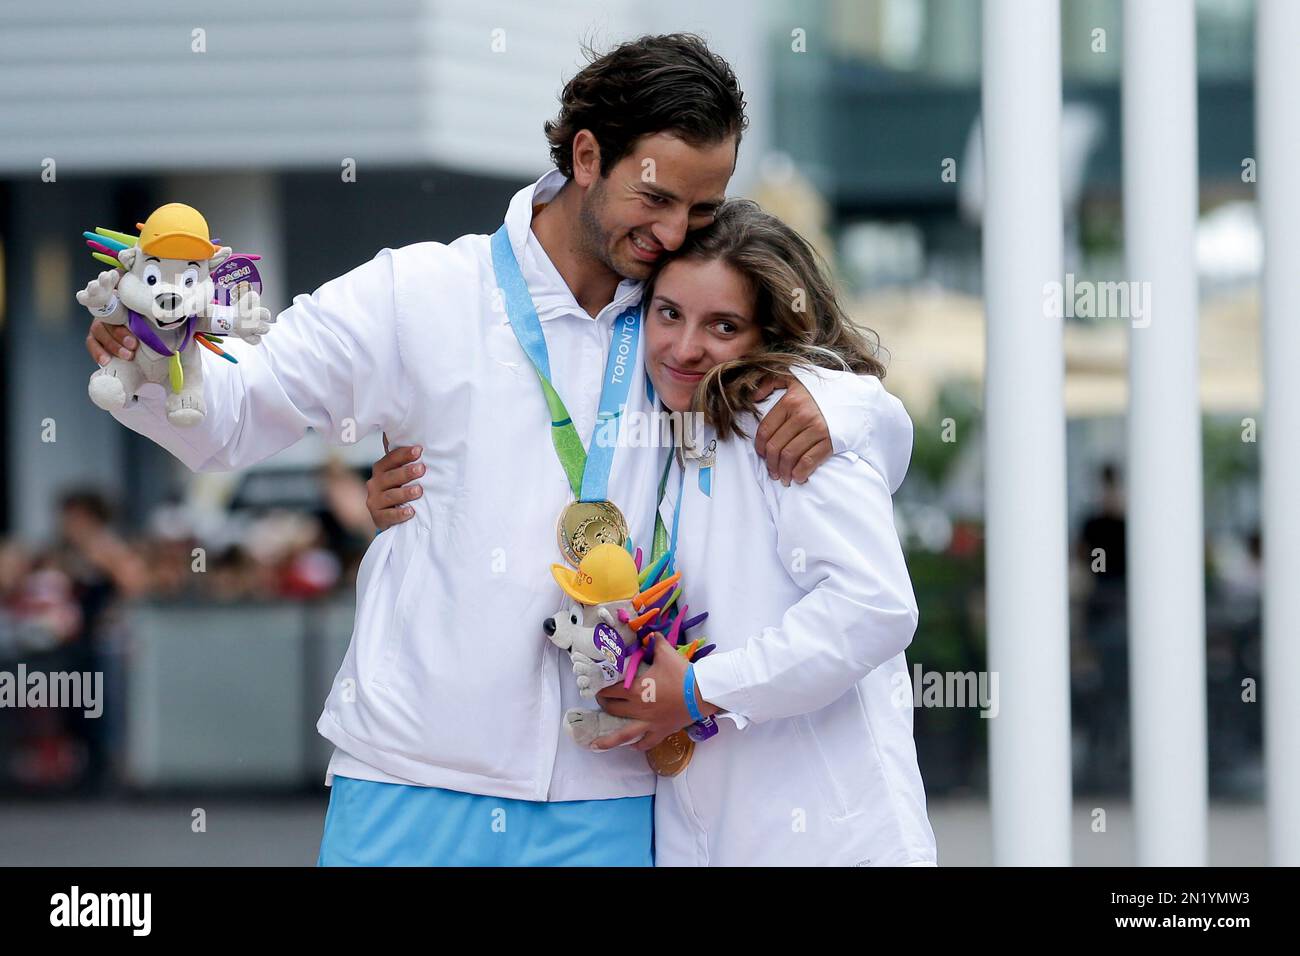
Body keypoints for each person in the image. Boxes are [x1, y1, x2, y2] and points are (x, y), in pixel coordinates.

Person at [82, 35, 883, 865]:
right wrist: (149, 361)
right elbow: (238, 415)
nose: (674, 230)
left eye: (701, 208)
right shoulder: (420, 293)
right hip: (409, 780)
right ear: (586, 155)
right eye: (657, 198)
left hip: (603, 795)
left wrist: (848, 415)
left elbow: (835, 380)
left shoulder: (682, 328)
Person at [371, 200, 937, 865]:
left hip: (835, 839)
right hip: (704, 833)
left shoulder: (790, 423)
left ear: (770, 333)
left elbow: (875, 608)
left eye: (723, 326)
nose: (686, 347)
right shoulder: (668, 427)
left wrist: (703, 691)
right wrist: (412, 488)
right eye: (669, 314)